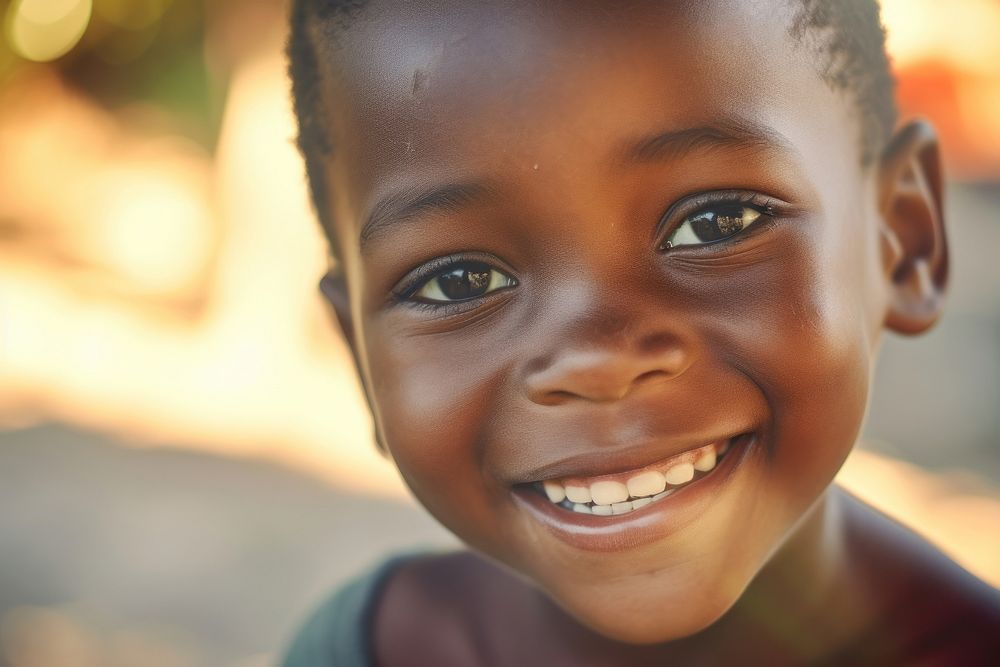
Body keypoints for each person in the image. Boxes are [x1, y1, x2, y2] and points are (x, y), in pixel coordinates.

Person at [281, 0, 1000, 664]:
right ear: (359, 357)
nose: (596, 360)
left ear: (902, 238)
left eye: (716, 222)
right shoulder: (365, 646)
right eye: (460, 281)